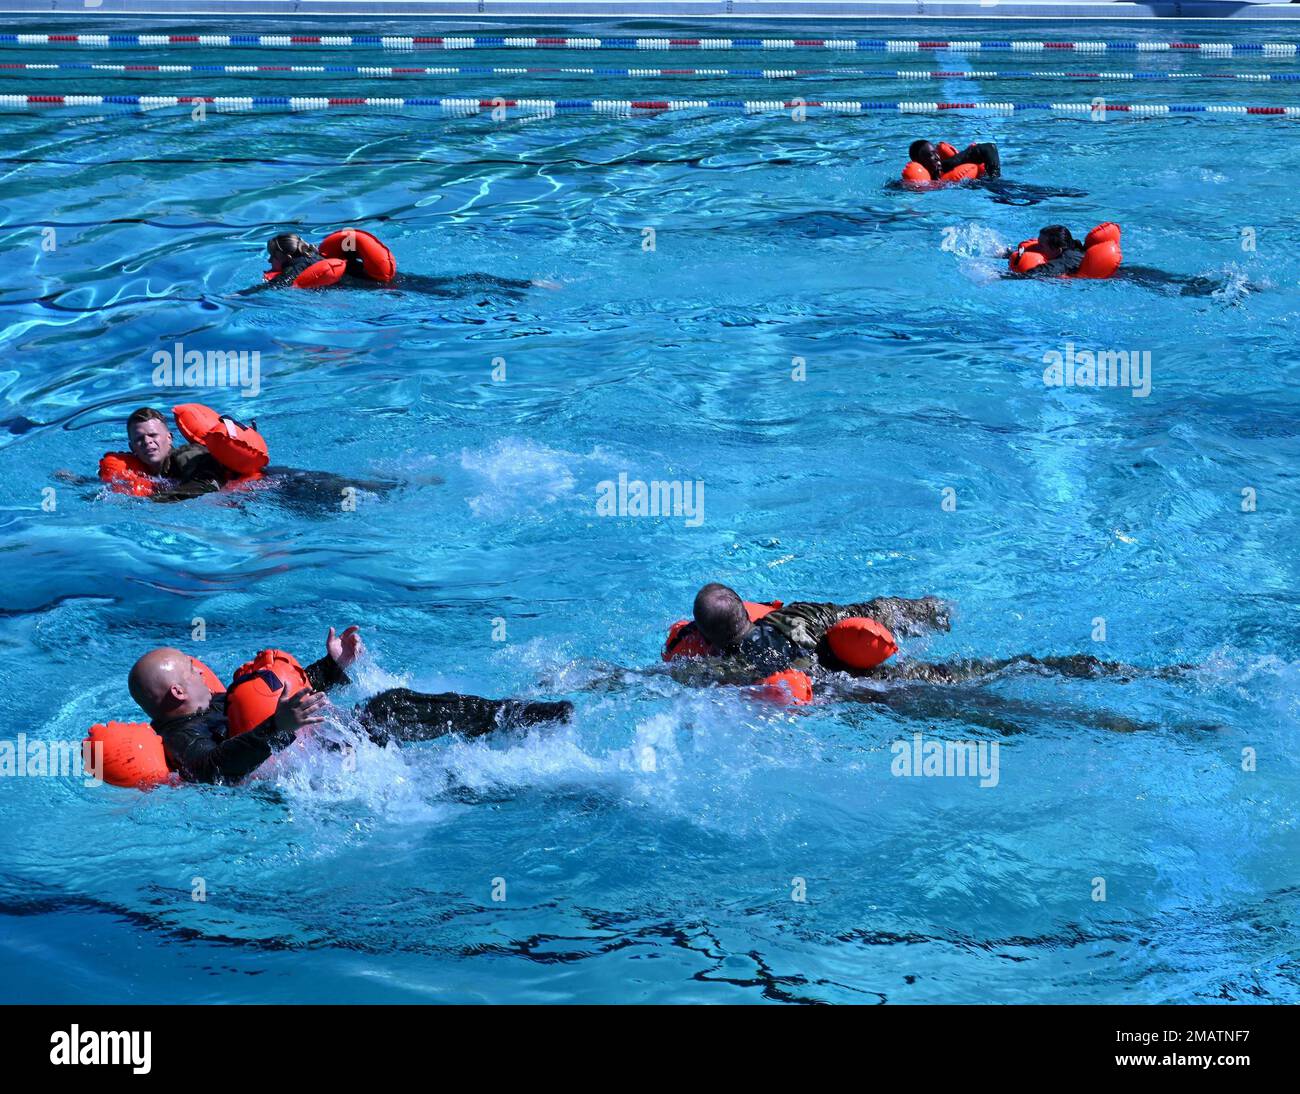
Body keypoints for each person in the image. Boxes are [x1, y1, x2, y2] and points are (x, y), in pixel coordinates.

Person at [127, 626, 571, 784]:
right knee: (393, 715)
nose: (197, 666)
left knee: (392, 705)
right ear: (179, 693)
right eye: (189, 667)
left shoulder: (212, 704)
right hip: (315, 775)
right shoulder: (182, 736)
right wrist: (276, 729)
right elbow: (212, 770)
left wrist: (332, 667)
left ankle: (513, 718)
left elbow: (280, 700)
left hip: (324, 749)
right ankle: (519, 725)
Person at [71, 405, 401, 504]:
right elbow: (130, 481)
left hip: (284, 485)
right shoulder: (148, 471)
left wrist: (156, 500)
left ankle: (404, 484)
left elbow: (206, 485)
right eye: (139, 440)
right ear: (131, 447)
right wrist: (80, 483)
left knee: (365, 496)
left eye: (154, 435)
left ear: (169, 437)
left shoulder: (188, 457)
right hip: (274, 490)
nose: (148, 443)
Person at [907, 139, 1002, 183]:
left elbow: (989, 147)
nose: (937, 157)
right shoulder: (916, 181)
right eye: (931, 155)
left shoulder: (950, 165)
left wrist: (994, 179)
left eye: (936, 153)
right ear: (919, 162)